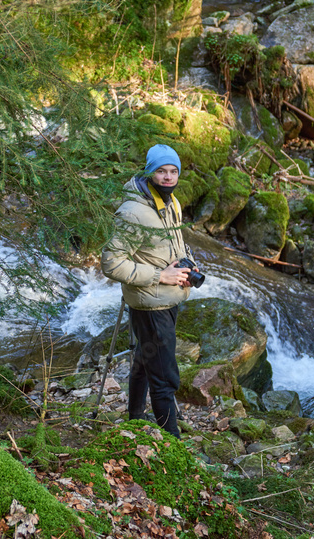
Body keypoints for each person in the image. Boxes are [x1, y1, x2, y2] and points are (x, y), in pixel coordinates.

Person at [101, 144, 197, 438]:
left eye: (173, 171)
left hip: (166, 299)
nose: (168, 177)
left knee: (144, 360)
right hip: (151, 305)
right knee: (165, 377)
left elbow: (176, 244)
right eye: (161, 171)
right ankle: (172, 443)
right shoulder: (133, 212)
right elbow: (110, 263)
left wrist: (187, 264)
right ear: (149, 173)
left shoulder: (170, 202)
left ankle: (135, 418)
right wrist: (160, 275)